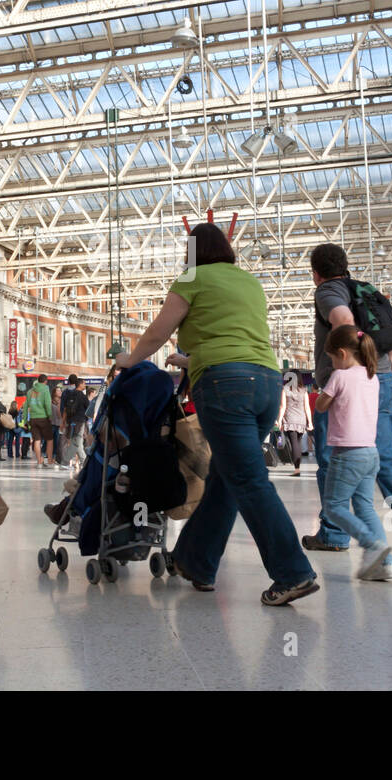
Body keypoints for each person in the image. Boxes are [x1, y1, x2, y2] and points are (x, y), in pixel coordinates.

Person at [115, 222, 317, 607]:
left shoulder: (191, 276)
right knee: (226, 478)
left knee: (249, 479)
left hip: (225, 385)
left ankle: (294, 572)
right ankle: (196, 562)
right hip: (266, 382)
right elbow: (237, 336)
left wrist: (131, 359)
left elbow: (159, 331)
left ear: (192, 253)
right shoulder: (248, 282)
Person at [307, 244, 392, 553]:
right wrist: (388, 360)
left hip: (347, 385)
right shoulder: (365, 289)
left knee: (331, 457)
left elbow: (342, 319)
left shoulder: (328, 291)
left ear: (316, 274)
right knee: (382, 456)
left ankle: (334, 534)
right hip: (381, 380)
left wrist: (352, 366)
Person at [314, 325, 392, 580]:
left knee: (334, 506)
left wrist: (326, 393)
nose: (333, 363)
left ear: (342, 353)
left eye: (332, 358)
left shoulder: (340, 376)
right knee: (365, 507)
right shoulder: (371, 377)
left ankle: (373, 546)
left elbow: (320, 406)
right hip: (370, 453)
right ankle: (386, 565)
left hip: (347, 453)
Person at [277, 371, 312, 476]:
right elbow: (307, 408)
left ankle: (297, 469)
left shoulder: (285, 390)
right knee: (298, 443)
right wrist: (310, 422)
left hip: (290, 420)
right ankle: (297, 468)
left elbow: (282, 406)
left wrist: (279, 421)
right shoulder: (304, 390)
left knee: (294, 444)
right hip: (301, 421)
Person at [59, 376, 89, 468]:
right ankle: (65, 463)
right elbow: (89, 410)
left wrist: (63, 422)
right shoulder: (83, 396)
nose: (85, 385)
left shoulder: (69, 395)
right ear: (80, 384)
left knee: (77, 442)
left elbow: (65, 409)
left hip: (70, 421)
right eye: (84, 383)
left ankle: (84, 462)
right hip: (79, 422)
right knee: (76, 442)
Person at [26, 374, 54, 467]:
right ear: (46, 381)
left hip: (33, 419)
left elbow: (26, 405)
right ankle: (49, 461)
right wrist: (50, 416)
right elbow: (47, 403)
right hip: (43, 418)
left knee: (37, 440)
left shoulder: (30, 391)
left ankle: (39, 462)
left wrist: (25, 418)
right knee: (49, 440)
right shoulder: (45, 389)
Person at [49, 387, 63, 468]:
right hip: (51, 424)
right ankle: (48, 457)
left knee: (57, 443)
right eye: (58, 390)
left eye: (60, 390)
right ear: (54, 392)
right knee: (50, 442)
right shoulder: (50, 401)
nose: (60, 392)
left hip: (59, 424)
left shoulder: (62, 401)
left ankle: (55, 458)